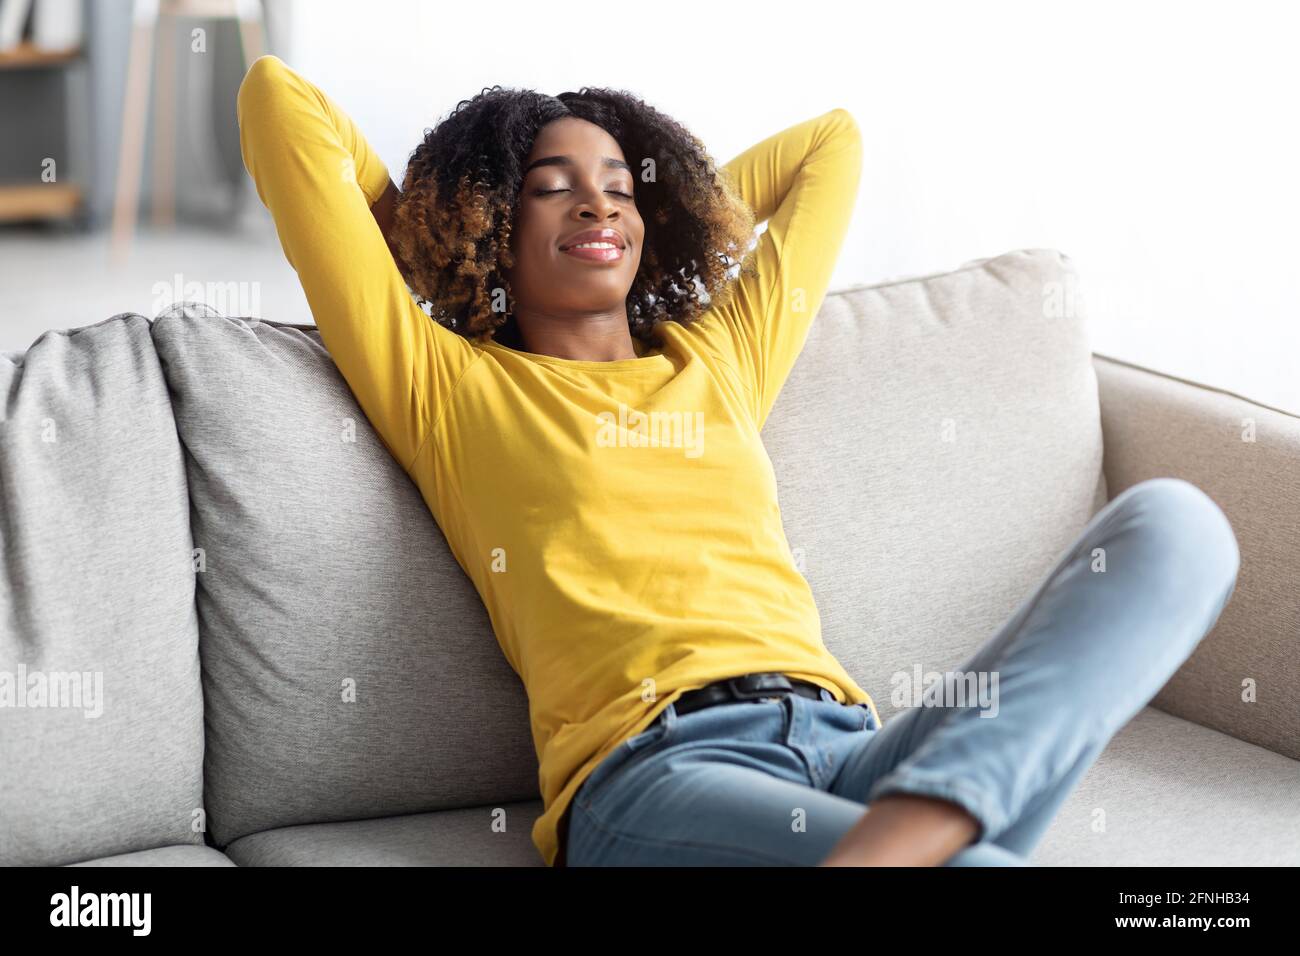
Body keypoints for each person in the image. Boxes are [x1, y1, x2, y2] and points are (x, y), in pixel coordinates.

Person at [236, 55, 1241, 867]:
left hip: (851, 744)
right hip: (656, 772)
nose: (598, 208)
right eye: (552, 190)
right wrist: (434, 240)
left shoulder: (715, 356)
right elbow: (280, 105)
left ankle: (908, 837)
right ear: (494, 223)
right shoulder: (447, 385)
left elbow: (829, 147)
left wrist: (672, 208)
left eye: (621, 189)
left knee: (1178, 526)